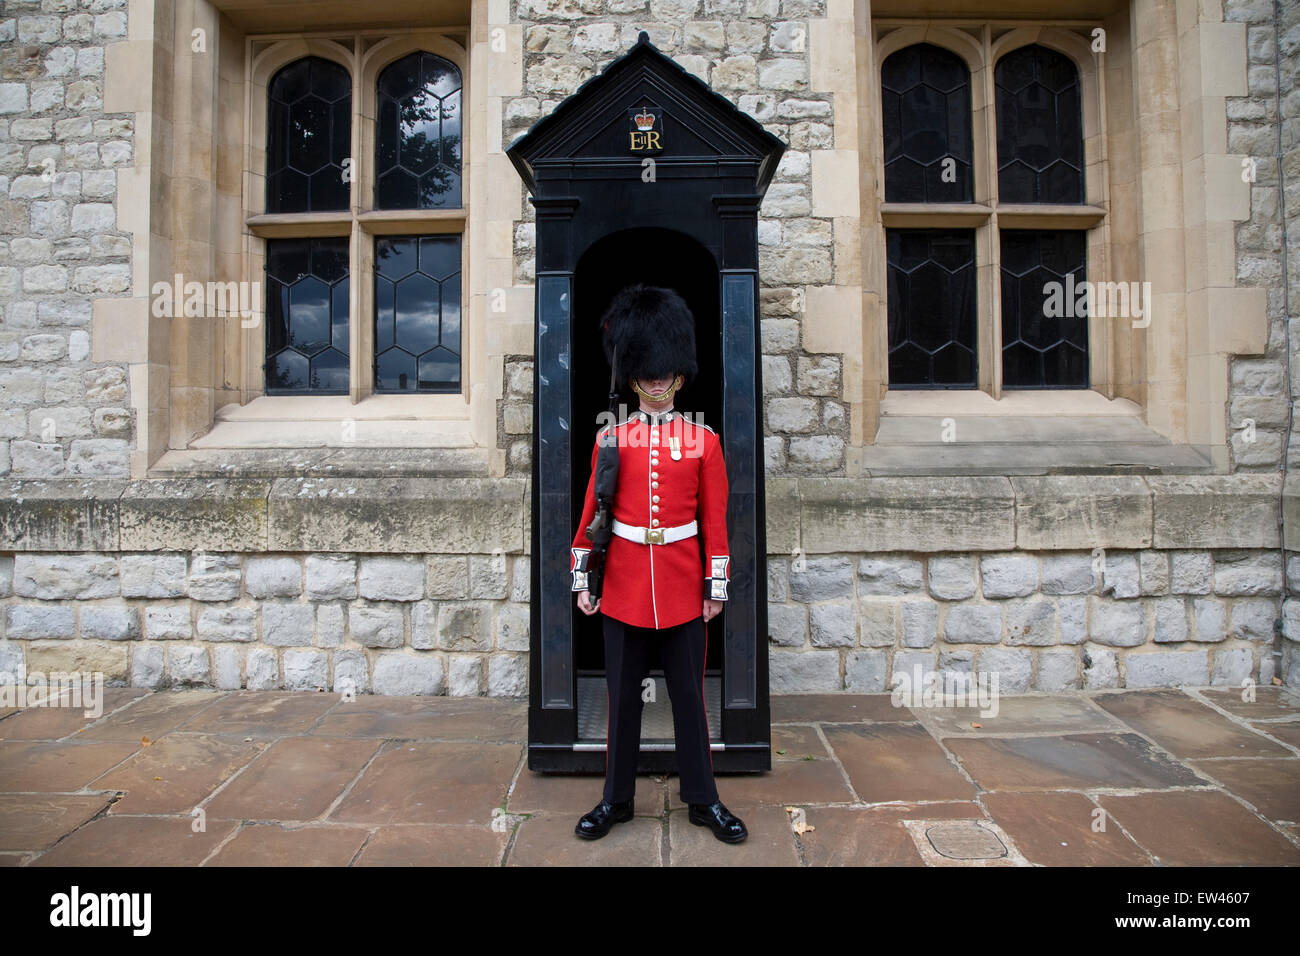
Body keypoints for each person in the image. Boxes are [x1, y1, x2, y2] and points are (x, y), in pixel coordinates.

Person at [570, 283, 747, 844]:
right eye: (645, 371)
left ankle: (703, 799)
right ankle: (615, 799)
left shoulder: (704, 443)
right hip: (622, 586)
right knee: (622, 701)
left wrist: (714, 585)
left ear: (678, 375)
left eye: (662, 371)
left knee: (690, 700)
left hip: (679, 591)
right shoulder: (611, 441)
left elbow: (715, 523)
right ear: (633, 375)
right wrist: (585, 577)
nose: (654, 380)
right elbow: (591, 516)